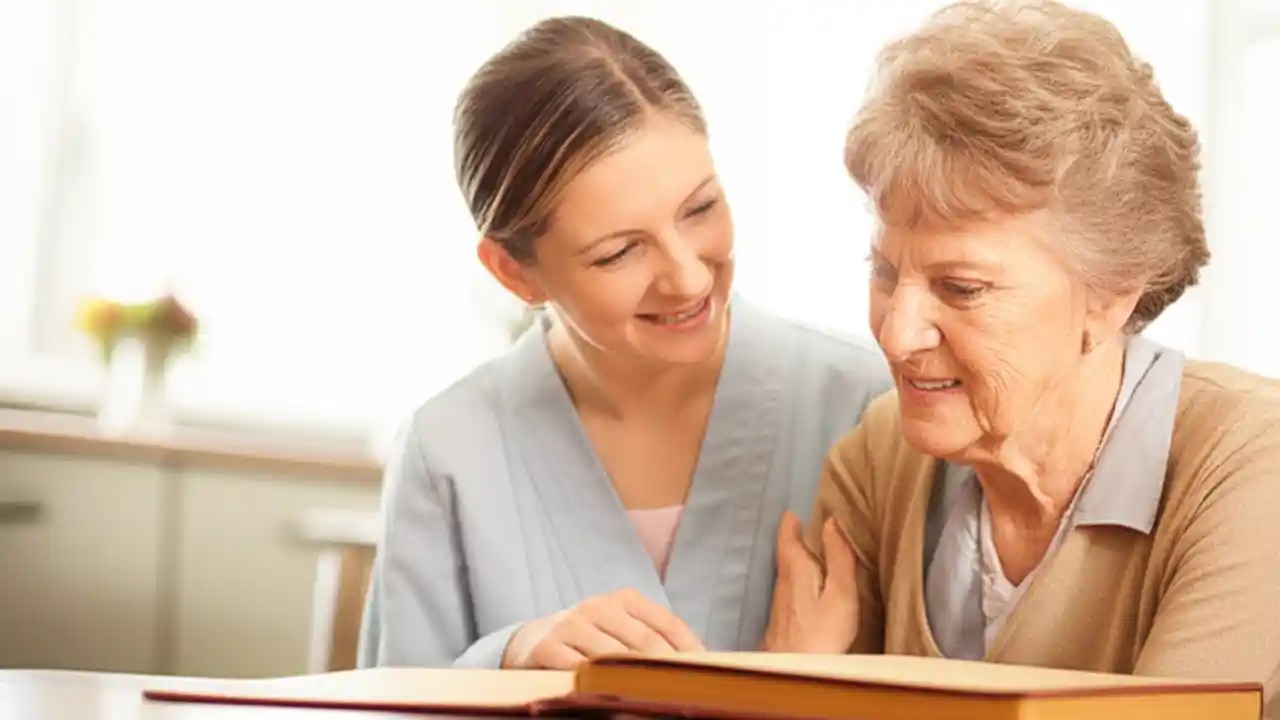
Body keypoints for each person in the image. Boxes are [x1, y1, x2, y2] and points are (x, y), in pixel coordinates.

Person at [764, 0, 1280, 716]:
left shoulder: (1249, 467)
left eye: (962, 288)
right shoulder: (882, 457)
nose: (896, 333)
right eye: (884, 271)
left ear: (1108, 295)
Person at [357, 16, 890, 671]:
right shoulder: (448, 451)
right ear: (514, 272)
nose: (689, 276)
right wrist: (507, 661)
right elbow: (390, 704)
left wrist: (797, 683)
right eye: (619, 252)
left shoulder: (869, 410)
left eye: (700, 209)